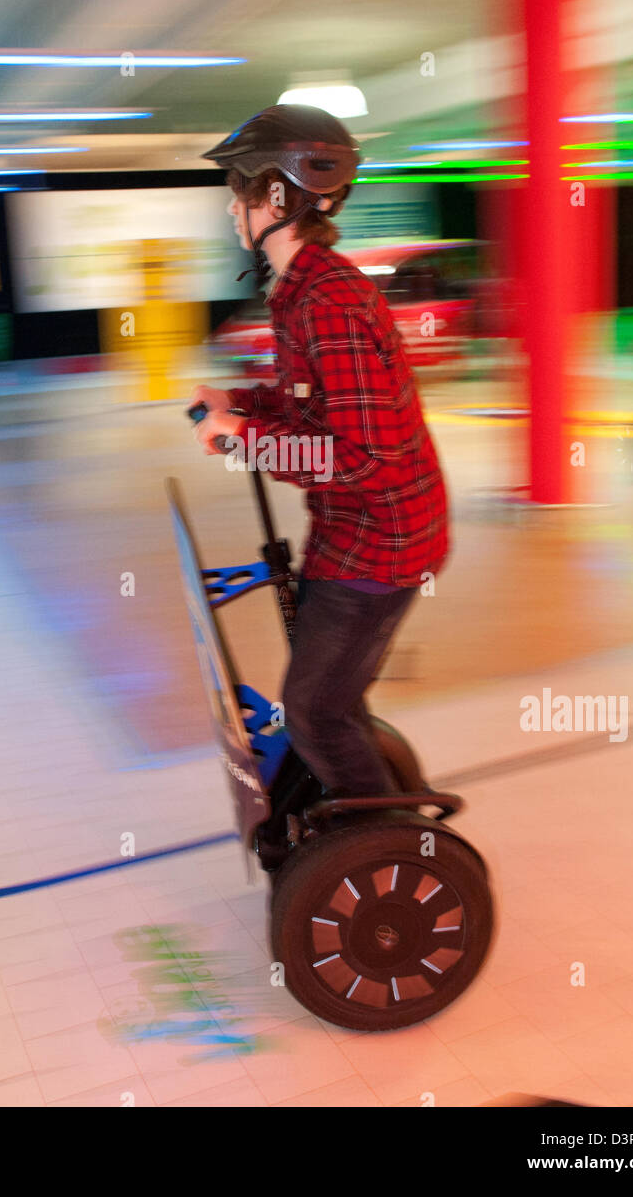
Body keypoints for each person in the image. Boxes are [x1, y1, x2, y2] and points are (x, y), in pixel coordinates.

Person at [190, 104, 449, 801]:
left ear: (275, 195)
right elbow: (313, 404)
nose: (230, 209)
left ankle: (383, 845)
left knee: (312, 711)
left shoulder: (327, 299)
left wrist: (245, 437)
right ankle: (368, 810)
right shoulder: (303, 288)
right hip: (354, 533)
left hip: (378, 544)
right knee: (333, 700)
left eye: (236, 191)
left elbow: (366, 456)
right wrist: (242, 403)